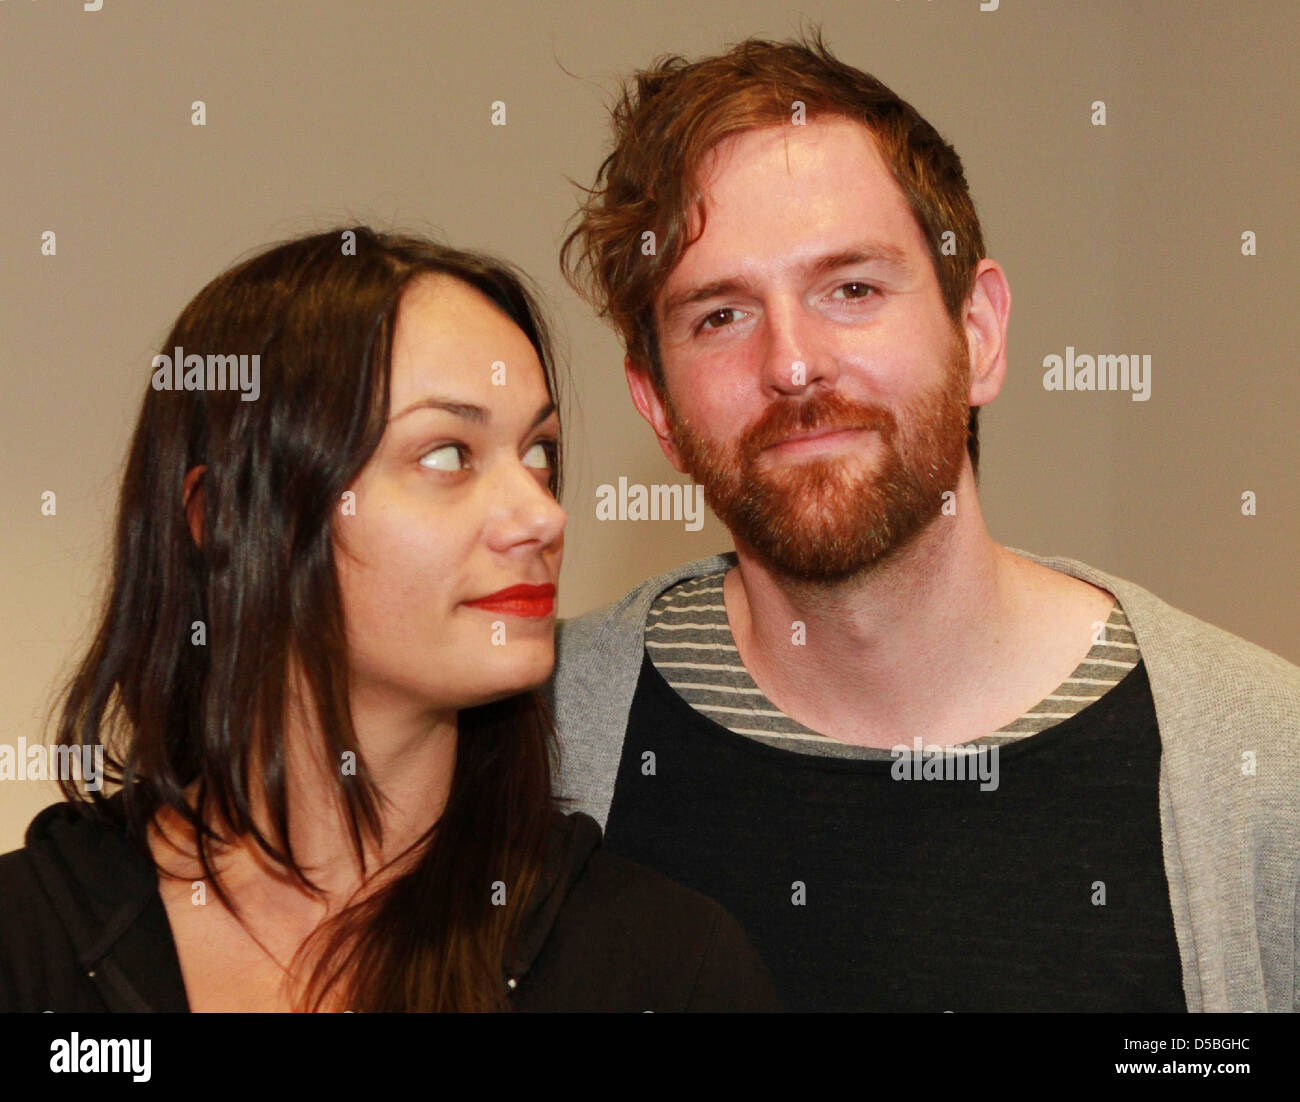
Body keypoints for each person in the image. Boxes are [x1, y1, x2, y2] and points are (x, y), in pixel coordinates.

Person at [552, 32, 1300, 1012]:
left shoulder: (1261, 771)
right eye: (720, 315)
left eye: (852, 288)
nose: (791, 363)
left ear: (978, 334)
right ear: (656, 405)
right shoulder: (534, 741)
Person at [0, 227, 780, 1013]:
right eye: (447, 454)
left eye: (539, 452)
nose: (539, 514)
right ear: (228, 518)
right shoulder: (31, 945)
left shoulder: (659, 968)